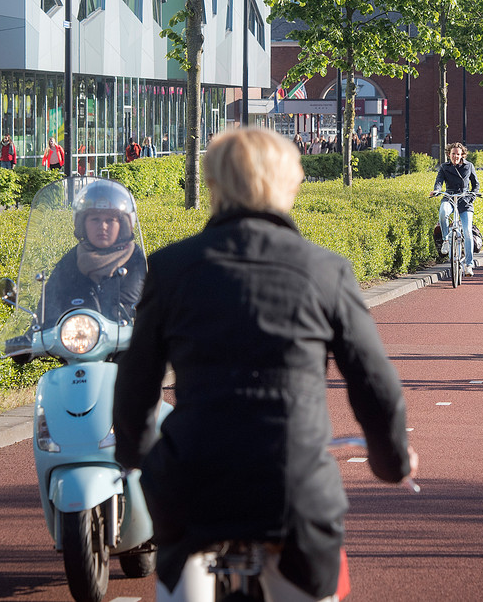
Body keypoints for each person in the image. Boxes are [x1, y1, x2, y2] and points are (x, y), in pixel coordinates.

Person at [112, 128, 414, 602]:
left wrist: (138, 455)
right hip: (293, 484)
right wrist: (391, 460)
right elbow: (374, 382)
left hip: (194, 481)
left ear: (212, 184)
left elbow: (135, 382)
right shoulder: (325, 269)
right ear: (290, 184)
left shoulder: (171, 268)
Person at [39, 180, 146, 326]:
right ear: (82, 223)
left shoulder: (139, 266)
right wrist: (31, 336)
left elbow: (155, 316)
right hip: (75, 345)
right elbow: (45, 312)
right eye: (95, 219)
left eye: (110, 220)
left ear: (123, 225)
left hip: (130, 346)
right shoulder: (68, 264)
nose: (102, 227)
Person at [431, 142, 480, 277]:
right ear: (449, 154)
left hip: (465, 200)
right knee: (443, 212)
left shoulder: (469, 166)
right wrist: (437, 190)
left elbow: (476, 185)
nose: (455, 156)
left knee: (467, 232)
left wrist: (472, 196)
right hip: (450, 197)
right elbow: (439, 182)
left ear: (462, 155)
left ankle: (469, 264)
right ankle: (446, 240)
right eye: (453, 154)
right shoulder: (444, 167)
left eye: (458, 154)